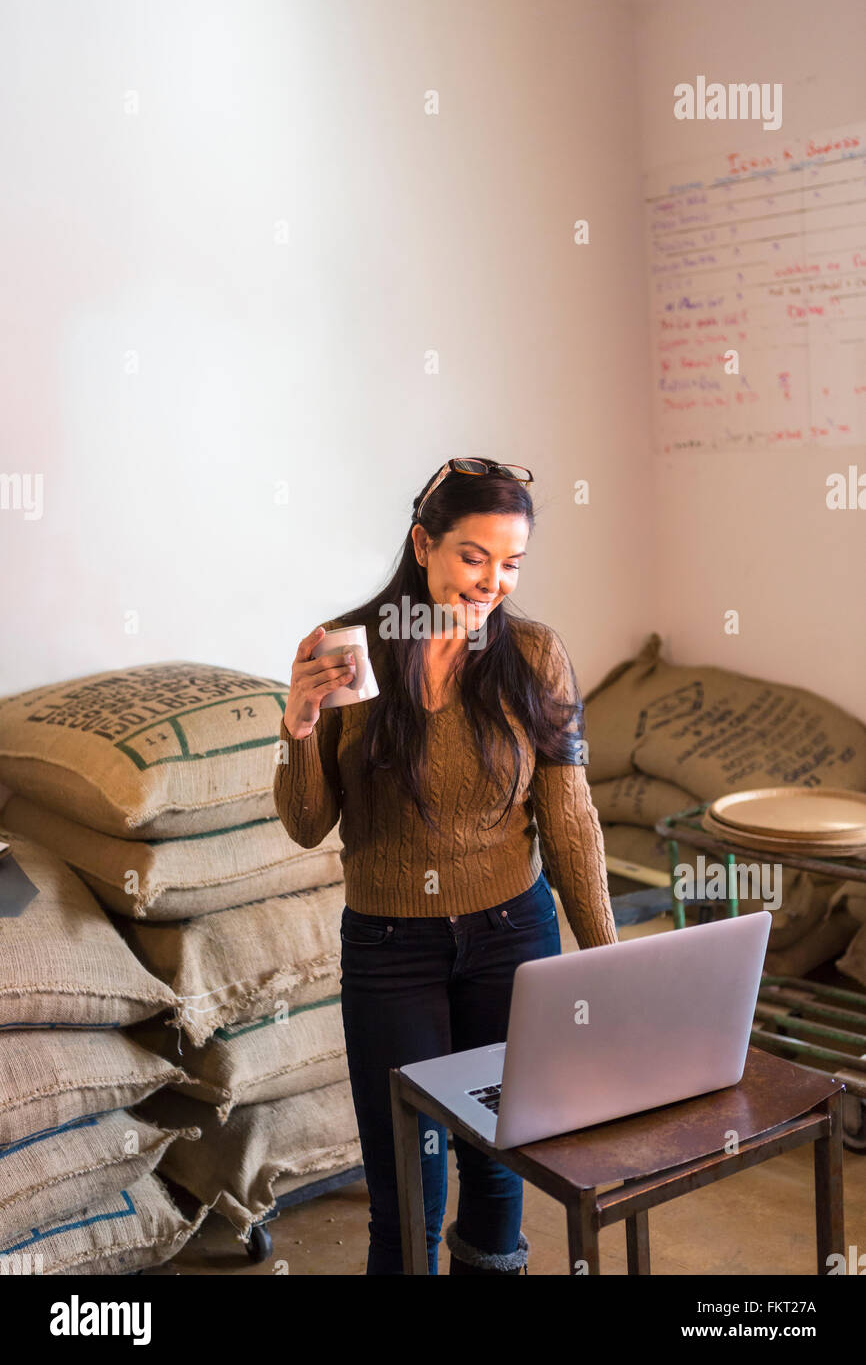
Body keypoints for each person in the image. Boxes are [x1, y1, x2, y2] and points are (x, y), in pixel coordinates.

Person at [274, 457, 618, 1275]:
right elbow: (307, 823)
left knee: (500, 1169)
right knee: (406, 1191)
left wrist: (608, 961)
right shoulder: (350, 650)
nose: (492, 581)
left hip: (513, 934)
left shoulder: (533, 655)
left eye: (512, 563)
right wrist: (296, 726)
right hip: (393, 949)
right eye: (474, 556)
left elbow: (569, 820)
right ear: (424, 543)